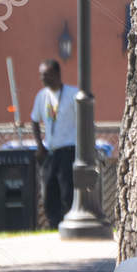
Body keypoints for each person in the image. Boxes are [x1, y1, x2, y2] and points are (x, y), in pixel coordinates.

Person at [30, 59, 79, 228]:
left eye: (46, 74)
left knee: (67, 192)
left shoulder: (74, 94)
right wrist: (39, 145)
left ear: (57, 74)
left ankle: (70, 223)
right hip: (50, 151)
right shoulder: (42, 96)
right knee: (49, 192)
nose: (43, 78)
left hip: (69, 149)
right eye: (41, 75)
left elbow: (84, 122)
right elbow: (34, 120)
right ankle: (54, 226)